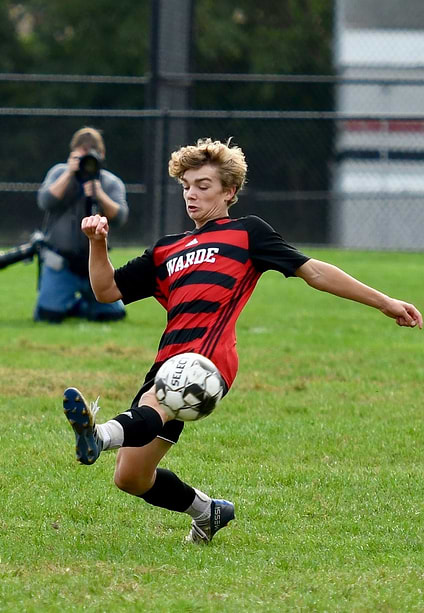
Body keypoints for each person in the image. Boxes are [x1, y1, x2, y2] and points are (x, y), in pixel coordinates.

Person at [61, 137, 421, 544]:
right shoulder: (166, 249)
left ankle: (98, 435)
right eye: (186, 186)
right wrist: (98, 242)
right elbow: (106, 290)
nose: (191, 195)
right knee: (131, 477)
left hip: (209, 359)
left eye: (203, 186)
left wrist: (384, 302)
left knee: (155, 408)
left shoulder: (247, 233)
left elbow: (314, 271)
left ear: (229, 192)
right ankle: (208, 511)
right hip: (169, 357)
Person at [36, 127, 130, 323]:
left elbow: (120, 217)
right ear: (72, 154)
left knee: (112, 315)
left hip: (95, 264)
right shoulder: (59, 173)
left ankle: (85, 305)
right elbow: (45, 201)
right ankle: (69, 304)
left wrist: (100, 194)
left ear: (101, 155)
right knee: (48, 316)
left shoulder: (110, 182)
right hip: (61, 262)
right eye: (81, 156)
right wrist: (70, 174)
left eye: (91, 156)